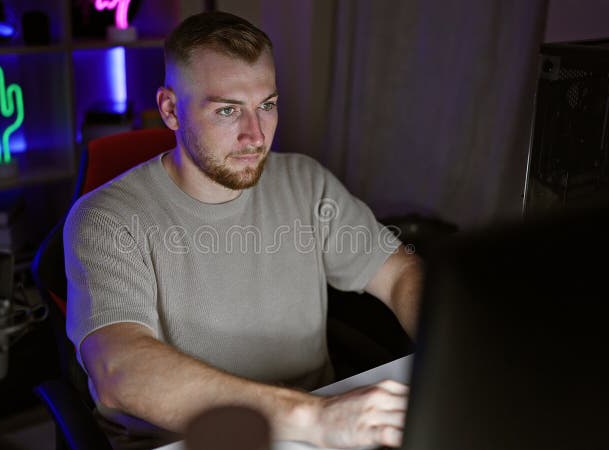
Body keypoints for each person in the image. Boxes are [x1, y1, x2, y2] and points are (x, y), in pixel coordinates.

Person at [64, 11, 423, 450]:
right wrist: (313, 416)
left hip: (316, 431)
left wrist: (456, 347)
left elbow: (401, 273)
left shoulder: (306, 184)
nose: (255, 135)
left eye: (266, 105)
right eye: (228, 110)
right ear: (171, 110)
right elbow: (119, 373)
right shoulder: (106, 219)